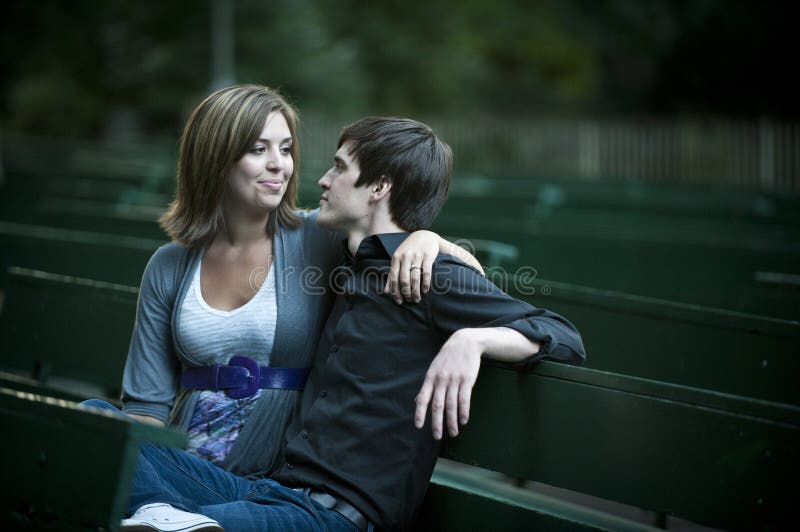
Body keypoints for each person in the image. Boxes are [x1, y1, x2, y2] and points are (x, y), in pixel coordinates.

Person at [111, 116, 585, 532]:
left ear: (378, 187)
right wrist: (424, 235)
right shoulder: (339, 265)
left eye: (338, 167)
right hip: (274, 491)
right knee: (98, 430)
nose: (319, 178)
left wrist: (472, 338)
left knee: (177, 528)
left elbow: (564, 336)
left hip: (334, 515)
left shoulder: (427, 278)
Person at [119, 84, 482, 478]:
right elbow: (145, 406)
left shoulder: (319, 235)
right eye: (259, 150)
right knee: (93, 418)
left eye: (286, 148)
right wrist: (143, 474)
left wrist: (426, 238)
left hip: (269, 469)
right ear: (214, 159)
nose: (280, 164)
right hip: (180, 458)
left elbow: (467, 273)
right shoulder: (170, 264)